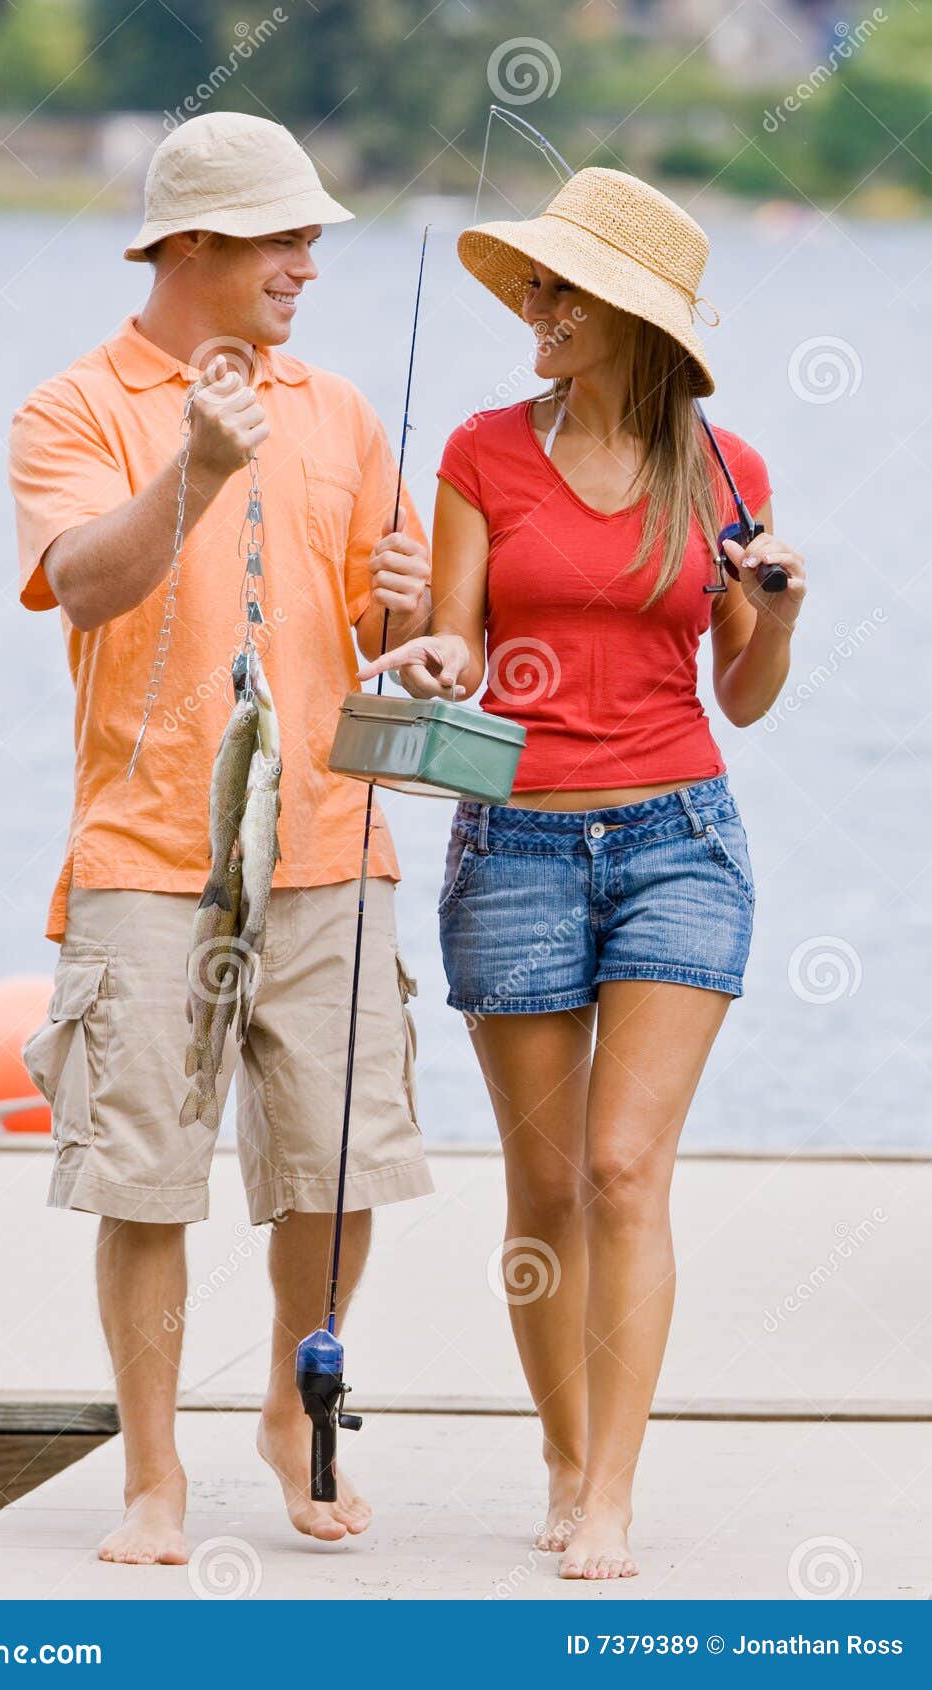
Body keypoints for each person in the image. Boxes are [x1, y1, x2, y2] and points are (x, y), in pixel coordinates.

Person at [362, 168, 806, 1580]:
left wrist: (779, 618)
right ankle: (560, 1450)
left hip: (679, 835)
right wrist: (434, 656)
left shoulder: (727, 473)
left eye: (559, 291)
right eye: (534, 287)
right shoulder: (485, 453)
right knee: (545, 1185)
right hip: (518, 843)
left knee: (625, 1168)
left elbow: (742, 695)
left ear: (627, 316)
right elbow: (461, 650)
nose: (535, 310)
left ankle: (611, 1488)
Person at [9, 112, 434, 1566]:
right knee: (142, 1178)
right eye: (281, 237)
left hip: (331, 847)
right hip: (142, 857)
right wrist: (189, 467)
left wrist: (416, 620)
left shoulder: (342, 408)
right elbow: (80, 584)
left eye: (312, 236)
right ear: (188, 247)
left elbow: (391, 632)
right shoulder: (73, 407)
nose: (308, 263)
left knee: (336, 1170)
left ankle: (283, 1406)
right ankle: (152, 1476)